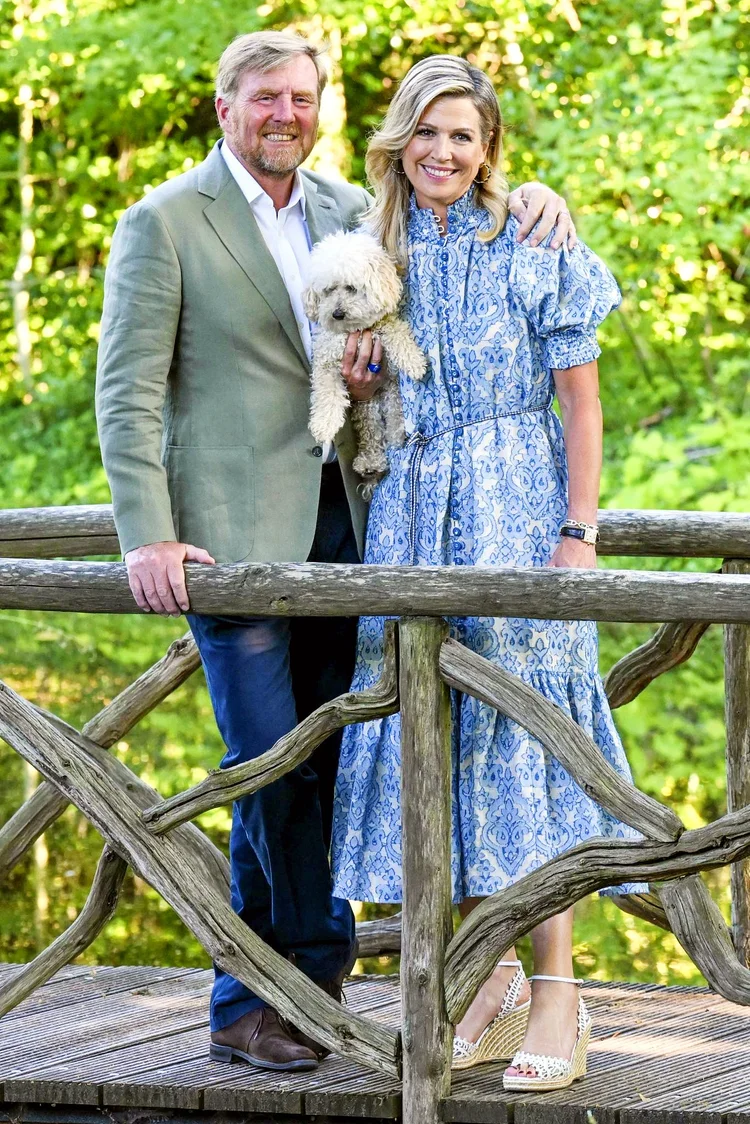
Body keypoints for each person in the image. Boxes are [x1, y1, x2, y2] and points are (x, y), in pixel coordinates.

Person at [95, 31, 575, 1073]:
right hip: (227, 544)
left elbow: (450, 217)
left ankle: (308, 988)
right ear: (223, 104)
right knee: (266, 766)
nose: (287, 113)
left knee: (332, 755)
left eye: (304, 97)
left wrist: (537, 193)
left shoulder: (346, 212)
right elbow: (126, 393)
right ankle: (252, 994)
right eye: (266, 96)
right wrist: (148, 532)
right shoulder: (163, 222)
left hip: (350, 530)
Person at [330, 54, 646, 1093]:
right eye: (427, 131)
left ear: (491, 147)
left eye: (464, 135)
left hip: (514, 504)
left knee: (523, 739)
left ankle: (560, 989)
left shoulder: (534, 236)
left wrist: (580, 530)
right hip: (416, 515)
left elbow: (582, 402)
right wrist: (361, 376)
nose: (444, 152)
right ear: (399, 140)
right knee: (440, 732)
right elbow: (362, 393)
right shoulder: (377, 247)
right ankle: (493, 976)